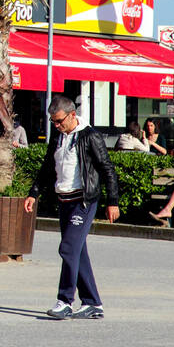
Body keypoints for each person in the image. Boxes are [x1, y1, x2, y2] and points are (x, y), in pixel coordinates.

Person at [25, 94, 119, 319]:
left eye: (59, 121)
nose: (56, 126)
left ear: (72, 115)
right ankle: (93, 304)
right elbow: (48, 166)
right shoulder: (57, 137)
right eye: (53, 122)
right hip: (64, 201)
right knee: (78, 252)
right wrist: (33, 193)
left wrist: (112, 201)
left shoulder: (90, 136)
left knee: (67, 249)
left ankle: (65, 300)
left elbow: (108, 169)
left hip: (83, 201)